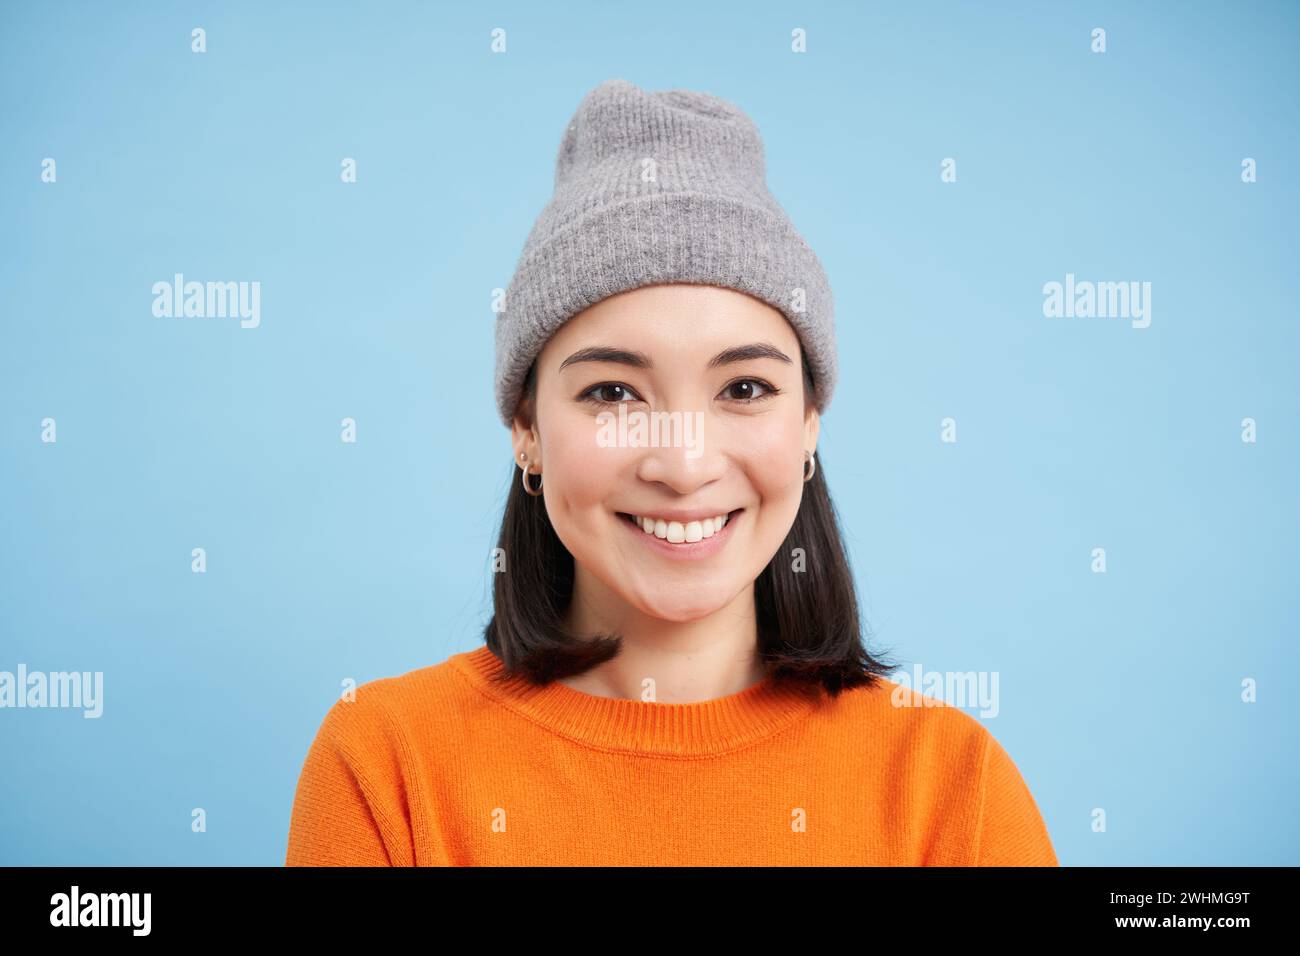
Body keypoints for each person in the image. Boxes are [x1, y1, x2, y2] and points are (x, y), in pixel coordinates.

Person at [285, 78, 1058, 867]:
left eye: (745, 389)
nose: (685, 466)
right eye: (613, 392)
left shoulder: (952, 788)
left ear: (808, 425)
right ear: (526, 429)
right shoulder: (386, 764)